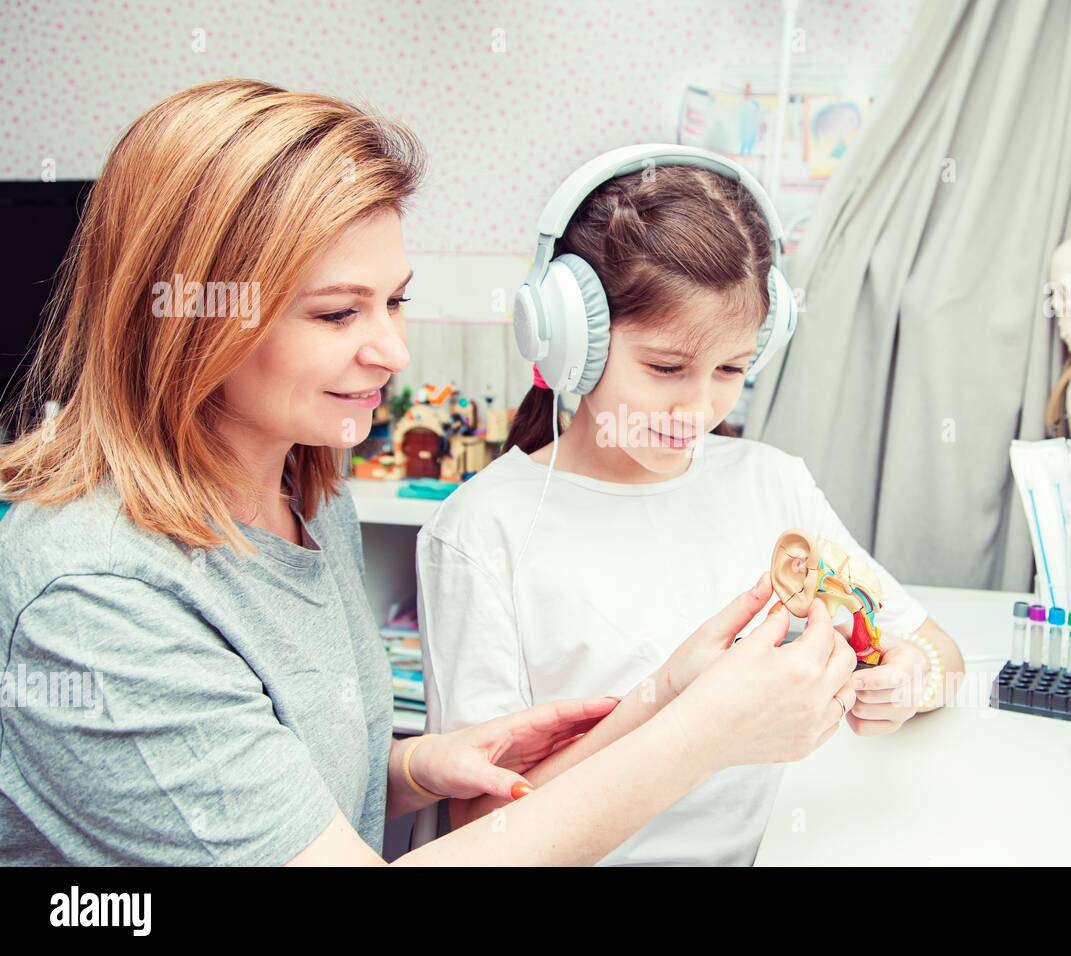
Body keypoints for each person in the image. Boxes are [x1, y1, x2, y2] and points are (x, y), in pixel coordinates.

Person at [0, 80, 857, 866]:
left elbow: (272, 786)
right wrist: (701, 735)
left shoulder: (301, 489)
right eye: (339, 313)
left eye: (396, 300)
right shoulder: (95, 601)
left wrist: (417, 766)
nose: (393, 351)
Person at [415, 149, 967, 865]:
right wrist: (692, 719)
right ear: (570, 339)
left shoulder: (774, 485)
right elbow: (479, 827)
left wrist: (906, 680)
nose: (699, 407)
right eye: (667, 368)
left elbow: (940, 653)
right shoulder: (482, 530)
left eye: (731, 369)